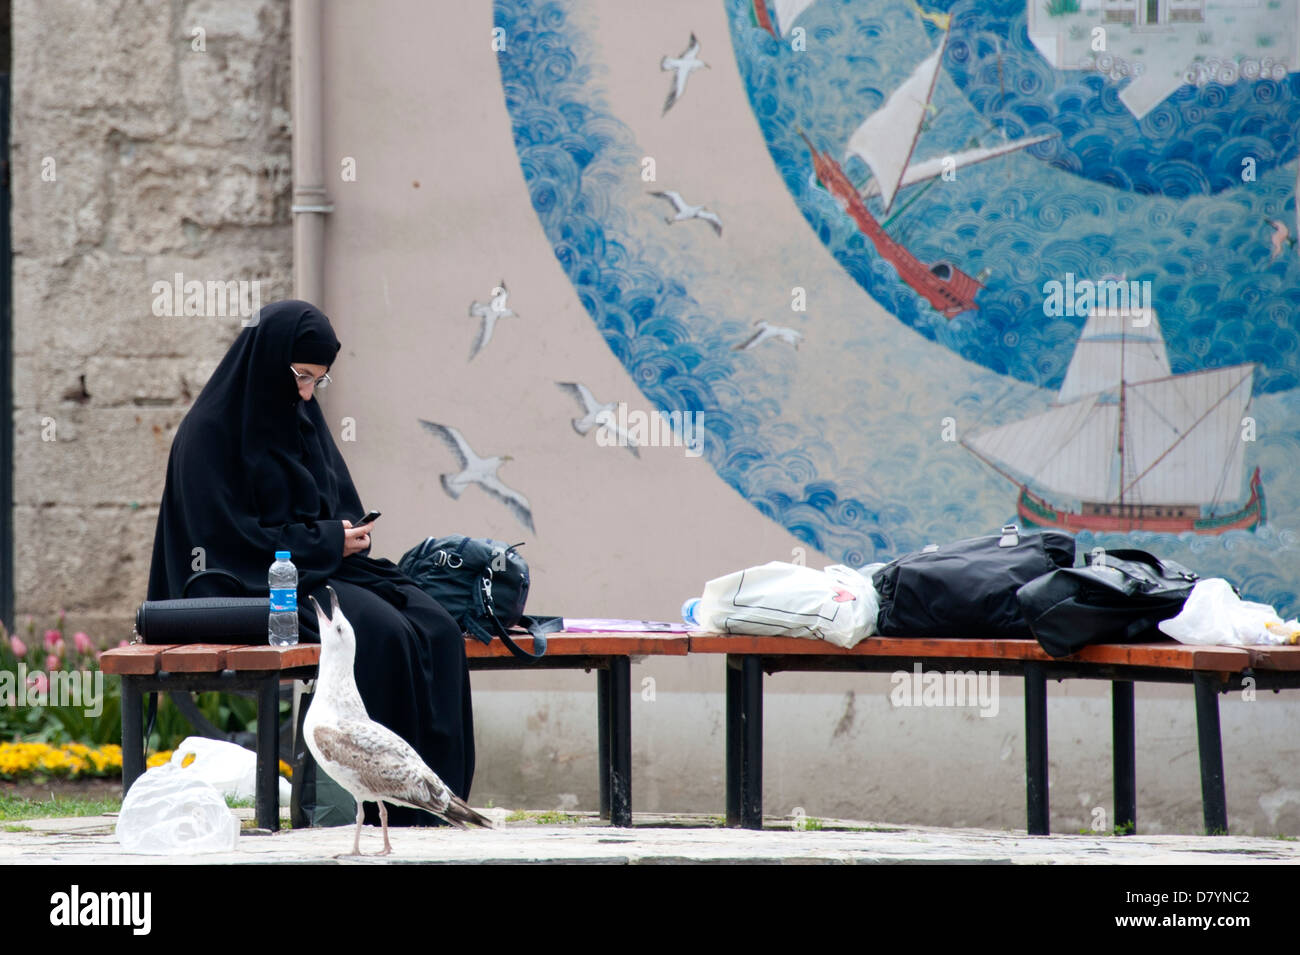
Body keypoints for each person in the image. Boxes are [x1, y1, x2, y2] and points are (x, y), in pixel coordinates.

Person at [146, 299, 474, 826]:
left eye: (317, 382)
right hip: (251, 583)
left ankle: (443, 800)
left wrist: (348, 534)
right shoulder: (209, 434)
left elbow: (331, 498)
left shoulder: (299, 416)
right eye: (300, 376)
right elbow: (224, 541)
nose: (305, 392)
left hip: (317, 569)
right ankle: (388, 812)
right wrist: (324, 541)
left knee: (434, 623)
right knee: (381, 633)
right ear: (268, 361)